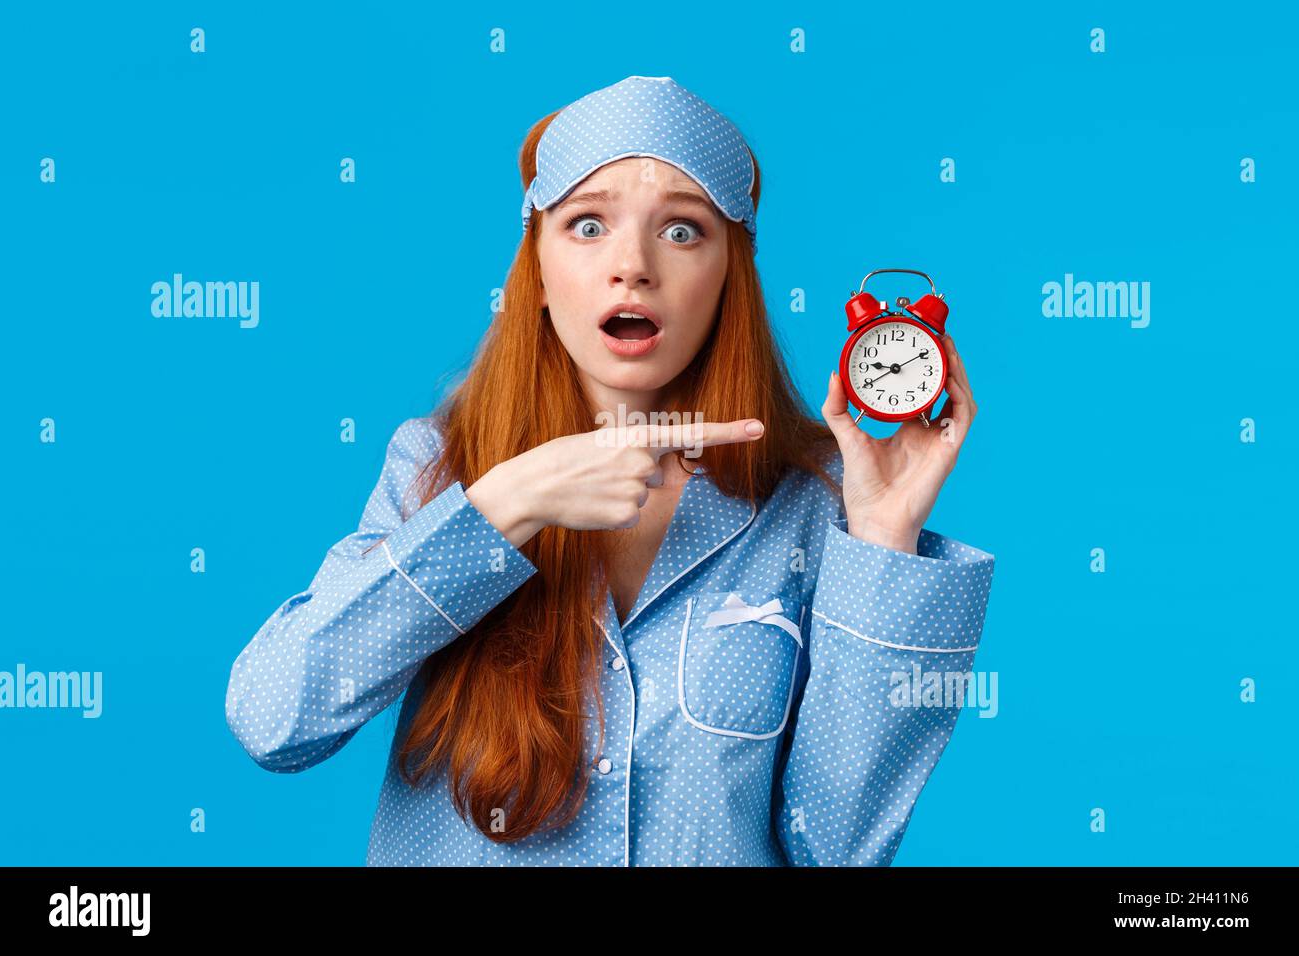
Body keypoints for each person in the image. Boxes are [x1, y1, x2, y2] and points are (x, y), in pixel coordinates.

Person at [224, 75, 995, 866]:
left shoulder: (807, 505)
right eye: (587, 225)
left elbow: (837, 848)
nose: (633, 265)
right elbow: (274, 719)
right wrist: (503, 508)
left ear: (732, 274)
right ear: (539, 272)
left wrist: (884, 538)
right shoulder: (437, 466)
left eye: (684, 232)